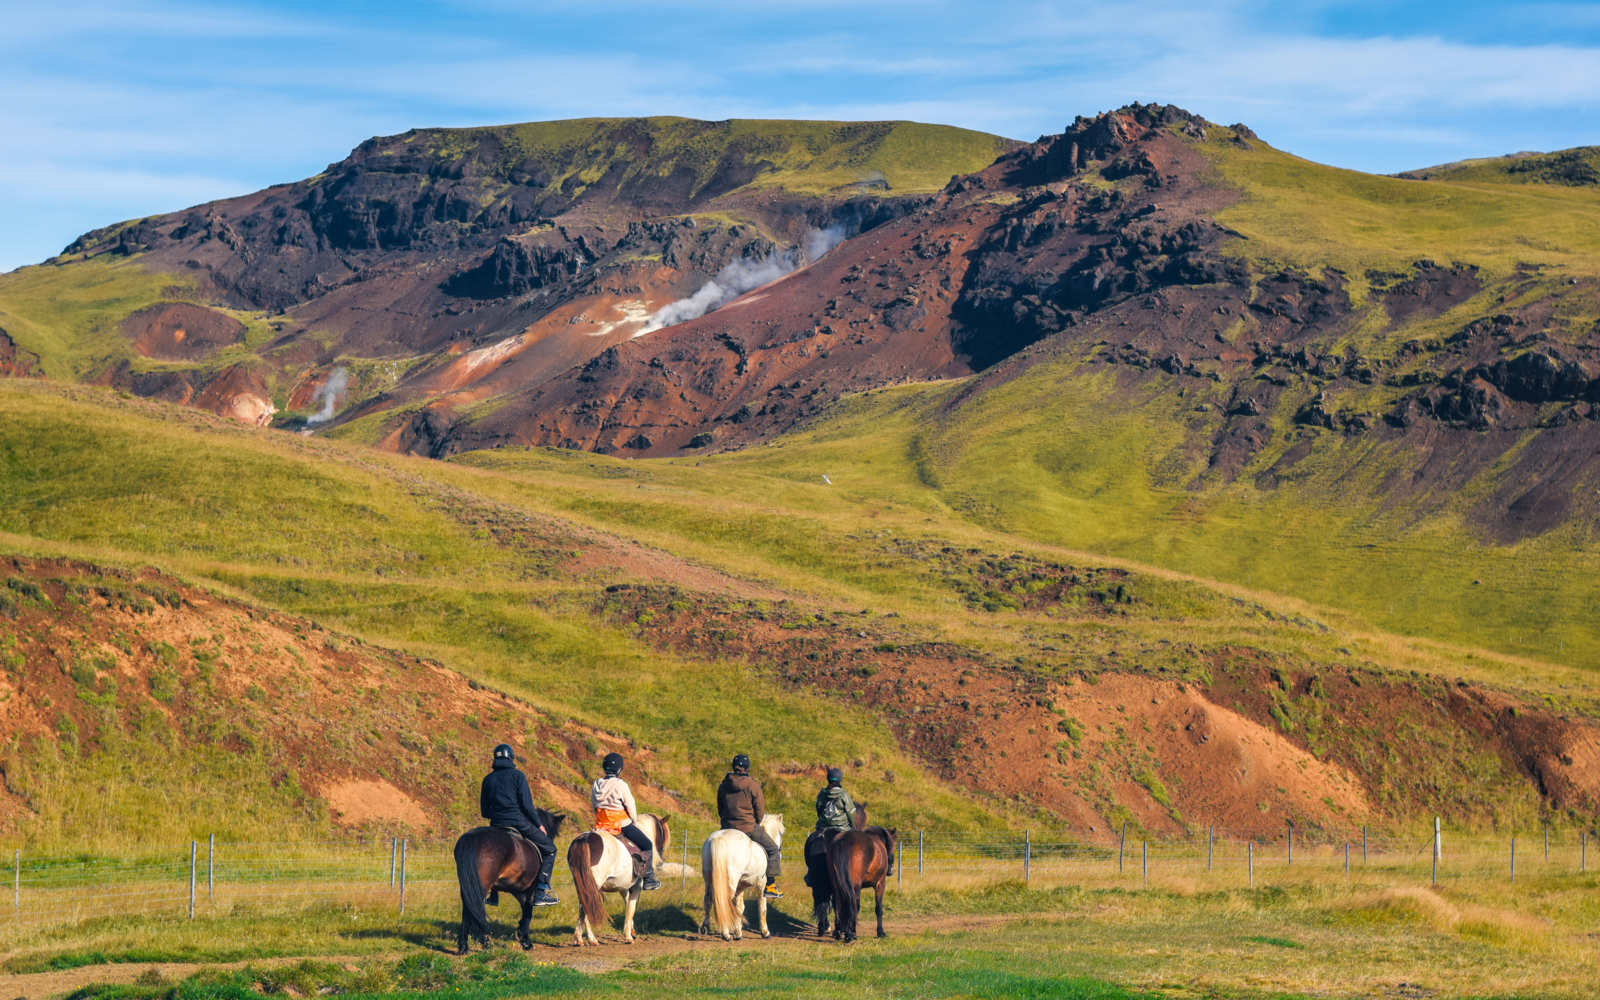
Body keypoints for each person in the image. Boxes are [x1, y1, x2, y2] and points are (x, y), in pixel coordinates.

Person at [480, 743, 560, 906]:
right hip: (518, 822)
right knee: (551, 849)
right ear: (511, 757)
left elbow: (484, 812)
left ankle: (493, 895)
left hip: (495, 824)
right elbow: (527, 806)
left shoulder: (487, 779)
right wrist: (539, 824)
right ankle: (541, 891)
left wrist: (497, 815)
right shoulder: (518, 775)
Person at [592, 751, 661, 890]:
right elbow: (631, 806)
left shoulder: (597, 783)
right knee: (646, 843)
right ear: (619, 769)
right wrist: (633, 820)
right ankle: (648, 878)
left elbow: (595, 805)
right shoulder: (621, 784)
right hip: (621, 824)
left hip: (600, 825)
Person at [716, 752, 783, 898]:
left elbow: (720, 809)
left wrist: (728, 821)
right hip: (747, 827)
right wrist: (755, 823)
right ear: (748, 768)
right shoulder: (753, 786)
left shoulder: (723, 785)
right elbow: (759, 811)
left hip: (726, 827)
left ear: (734, 767)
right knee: (773, 849)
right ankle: (771, 885)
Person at [804, 767, 855, 888]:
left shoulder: (822, 793)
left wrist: (824, 822)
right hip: (842, 827)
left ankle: (811, 873)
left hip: (822, 827)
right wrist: (851, 825)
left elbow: (819, 808)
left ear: (828, 779)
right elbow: (851, 812)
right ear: (840, 780)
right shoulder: (844, 794)